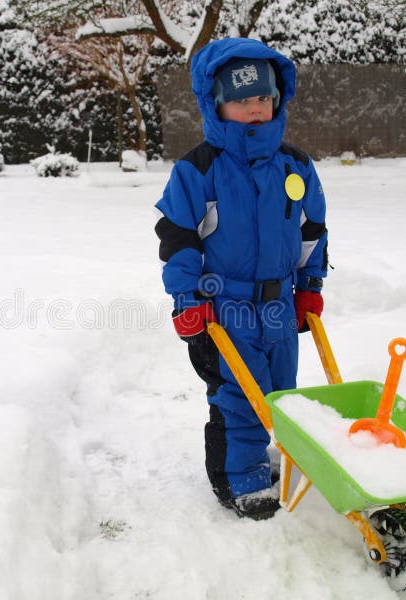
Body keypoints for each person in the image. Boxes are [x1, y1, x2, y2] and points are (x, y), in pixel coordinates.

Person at [154, 37, 328, 520]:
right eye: (241, 99)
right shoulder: (198, 171)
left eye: (262, 98)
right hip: (223, 308)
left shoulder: (295, 165)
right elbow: (179, 239)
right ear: (217, 103)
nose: (254, 109)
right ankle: (240, 479)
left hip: (279, 301)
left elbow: (312, 231)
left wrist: (309, 289)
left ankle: (267, 459)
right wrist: (187, 299)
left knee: (279, 394)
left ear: (277, 99)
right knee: (238, 397)